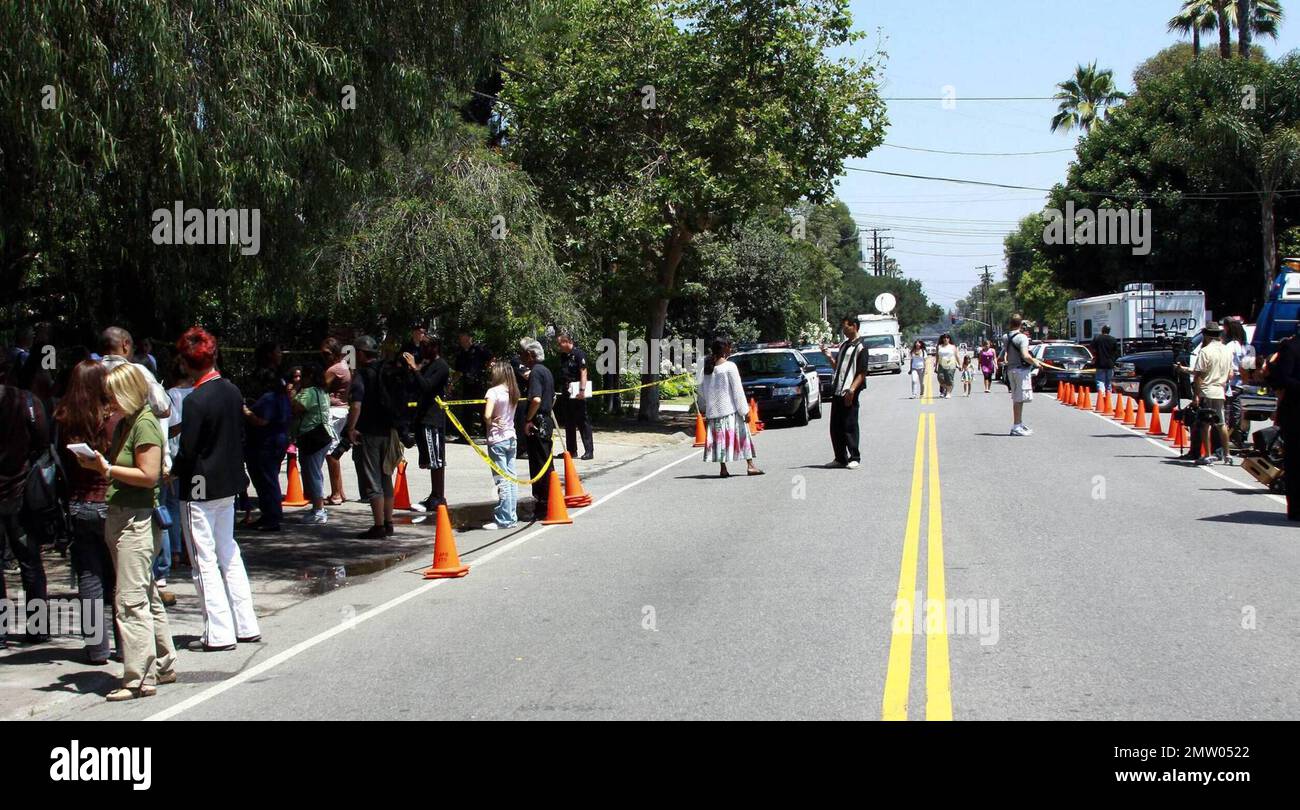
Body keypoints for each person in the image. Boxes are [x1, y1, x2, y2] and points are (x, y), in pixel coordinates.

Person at [77, 363, 176, 700]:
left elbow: (148, 475)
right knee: (144, 594)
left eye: (111, 396)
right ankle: (162, 663)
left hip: (135, 520)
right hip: (124, 516)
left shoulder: (143, 423)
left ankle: (138, 678)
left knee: (130, 600)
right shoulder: (130, 422)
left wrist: (106, 468)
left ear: (127, 393)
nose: (107, 403)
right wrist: (102, 465)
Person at [172, 327, 261, 652]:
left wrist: (171, 472)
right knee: (229, 551)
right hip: (228, 483)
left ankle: (218, 632)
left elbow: (189, 450)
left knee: (203, 560)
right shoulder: (232, 391)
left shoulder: (196, 400)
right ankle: (246, 623)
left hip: (199, 487)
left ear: (186, 361)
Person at [55, 361, 125, 663]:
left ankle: (97, 648)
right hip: (109, 502)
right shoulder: (114, 419)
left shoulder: (64, 419)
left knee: (90, 577)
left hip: (80, 503)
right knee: (122, 579)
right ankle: (126, 646)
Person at [0, 358, 51, 647]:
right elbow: (43, 442)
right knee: (29, 561)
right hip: (20, 493)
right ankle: (38, 626)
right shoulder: (25, 402)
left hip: (15, 493)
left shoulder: (23, 400)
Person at [346, 336, 399, 538]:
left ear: (360, 353)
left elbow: (356, 405)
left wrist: (351, 428)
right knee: (386, 476)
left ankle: (378, 526)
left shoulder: (362, 375)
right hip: (388, 431)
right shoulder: (385, 372)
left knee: (372, 479)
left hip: (369, 433)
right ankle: (388, 522)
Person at [154, 358, 193, 605]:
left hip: (174, 457)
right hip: (194, 456)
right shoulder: (199, 392)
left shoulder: (168, 396)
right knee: (187, 505)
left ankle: (174, 555)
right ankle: (186, 552)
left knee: (170, 508)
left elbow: (170, 428)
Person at [698, 338, 763, 478]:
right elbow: (737, 391)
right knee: (743, 437)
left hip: (713, 413)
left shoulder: (706, 369)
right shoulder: (730, 367)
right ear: (724, 350)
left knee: (720, 441)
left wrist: (704, 408)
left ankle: (723, 468)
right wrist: (744, 411)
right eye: (729, 347)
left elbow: (701, 392)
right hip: (730, 411)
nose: (731, 350)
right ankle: (750, 465)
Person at [403, 335, 450, 512]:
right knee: (429, 459)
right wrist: (413, 370)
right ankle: (434, 495)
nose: (421, 349)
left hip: (433, 418)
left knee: (436, 460)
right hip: (422, 417)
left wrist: (416, 369)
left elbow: (427, 387)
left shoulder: (441, 366)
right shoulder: (427, 364)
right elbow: (414, 386)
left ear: (435, 347)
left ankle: (438, 497)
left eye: (425, 346)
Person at [242, 367, 291, 531]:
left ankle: (272, 517)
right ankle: (268, 515)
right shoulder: (283, 397)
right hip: (277, 441)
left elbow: (260, 421)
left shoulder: (269, 398)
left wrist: (245, 411)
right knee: (269, 480)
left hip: (266, 443)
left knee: (266, 481)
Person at [290, 363, 334, 524]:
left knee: (312, 473)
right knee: (315, 472)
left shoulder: (308, 392)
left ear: (309, 377)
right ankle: (317, 507)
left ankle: (319, 510)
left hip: (312, 436)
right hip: (324, 435)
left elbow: (295, 408)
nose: (300, 379)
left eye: (303, 376)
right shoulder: (322, 391)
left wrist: (293, 391)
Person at [1185, 321, 1233, 466]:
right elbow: (1230, 373)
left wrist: (1196, 395)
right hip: (1220, 390)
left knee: (1206, 424)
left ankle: (1208, 454)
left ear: (1206, 335)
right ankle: (1227, 454)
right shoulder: (1226, 350)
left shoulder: (1205, 351)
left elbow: (1198, 375)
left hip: (1207, 390)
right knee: (1221, 423)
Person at [519, 338, 558, 518]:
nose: (521, 357)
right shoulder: (547, 371)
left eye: (523, 354)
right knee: (546, 460)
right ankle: (550, 498)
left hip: (538, 421)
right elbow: (552, 398)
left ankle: (543, 503)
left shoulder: (535, 372)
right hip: (546, 420)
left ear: (530, 355)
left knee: (539, 463)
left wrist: (528, 419)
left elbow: (536, 399)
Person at [823, 317, 868, 468]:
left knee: (850, 425)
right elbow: (838, 367)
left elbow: (862, 372)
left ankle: (854, 456)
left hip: (850, 391)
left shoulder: (861, 347)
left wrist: (852, 389)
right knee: (836, 426)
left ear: (854, 326)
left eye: (846, 327)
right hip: (837, 390)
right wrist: (828, 356)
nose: (843, 330)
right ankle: (840, 458)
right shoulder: (844, 345)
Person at [482, 360, 520, 529]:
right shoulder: (513, 391)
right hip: (511, 437)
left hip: (497, 439)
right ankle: (511, 515)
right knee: (511, 478)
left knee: (501, 479)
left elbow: (487, 414)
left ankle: (504, 518)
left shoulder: (493, 392)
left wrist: (492, 423)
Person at [1267, 336, 1300, 520]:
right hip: (1295, 413)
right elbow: (1281, 378)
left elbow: (1278, 378)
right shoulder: (1291, 347)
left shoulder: (1290, 346)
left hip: (1293, 412)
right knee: (1295, 461)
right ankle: (1295, 508)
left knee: (1295, 462)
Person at [320, 338, 351, 505]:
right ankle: (340, 491)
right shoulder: (344, 366)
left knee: (331, 453)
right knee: (333, 452)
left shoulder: (334, 369)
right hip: (341, 410)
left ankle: (336, 494)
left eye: (326, 354)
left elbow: (319, 388)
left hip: (334, 411)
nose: (324, 357)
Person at [555, 331, 594, 460]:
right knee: (569, 422)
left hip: (578, 392)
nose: (559, 346)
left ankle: (589, 451)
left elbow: (583, 372)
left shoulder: (578, 354)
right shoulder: (563, 356)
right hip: (567, 391)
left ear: (567, 342)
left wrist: (582, 390)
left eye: (560, 343)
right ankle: (572, 450)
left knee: (583, 421)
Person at [1005, 315, 1044, 437]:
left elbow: (1005, 354)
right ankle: (1016, 426)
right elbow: (1025, 355)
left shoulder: (1006, 337)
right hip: (1020, 370)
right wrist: (1035, 362)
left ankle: (1019, 423)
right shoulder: (1022, 337)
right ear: (1021, 324)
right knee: (1019, 399)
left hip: (1011, 369)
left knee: (1018, 398)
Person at [453, 331, 491, 438]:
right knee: (466, 410)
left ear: (470, 338)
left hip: (479, 384)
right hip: (467, 384)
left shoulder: (479, 349)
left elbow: (491, 359)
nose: (463, 342)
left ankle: (487, 434)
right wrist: (452, 383)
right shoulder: (460, 354)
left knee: (484, 409)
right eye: (461, 340)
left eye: (465, 339)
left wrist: (486, 370)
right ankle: (466, 436)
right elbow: (458, 371)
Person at [1090, 325, 1121, 397]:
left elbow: (1091, 348)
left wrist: (1094, 356)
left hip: (1100, 363)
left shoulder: (1097, 338)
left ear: (1102, 330)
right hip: (1110, 364)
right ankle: (1108, 396)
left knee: (1100, 380)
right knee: (1109, 381)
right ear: (1109, 331)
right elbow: (1117, 352)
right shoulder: (1113, 339)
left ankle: (1102, 395)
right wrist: (1114, 361)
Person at [935, 334, 958, 399]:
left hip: (951, 365)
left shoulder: (953, 346)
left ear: (949, 339)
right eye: (944, 338)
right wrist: (936, 365)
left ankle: (948, 393)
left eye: (947, 338)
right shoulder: (939, 346)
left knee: (949, 379)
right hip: (941, 365)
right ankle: (946, 388)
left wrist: (960, 364)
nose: (946, 339)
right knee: (940, 378)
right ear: (942, 339)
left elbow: (956, 356)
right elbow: (937, 356)